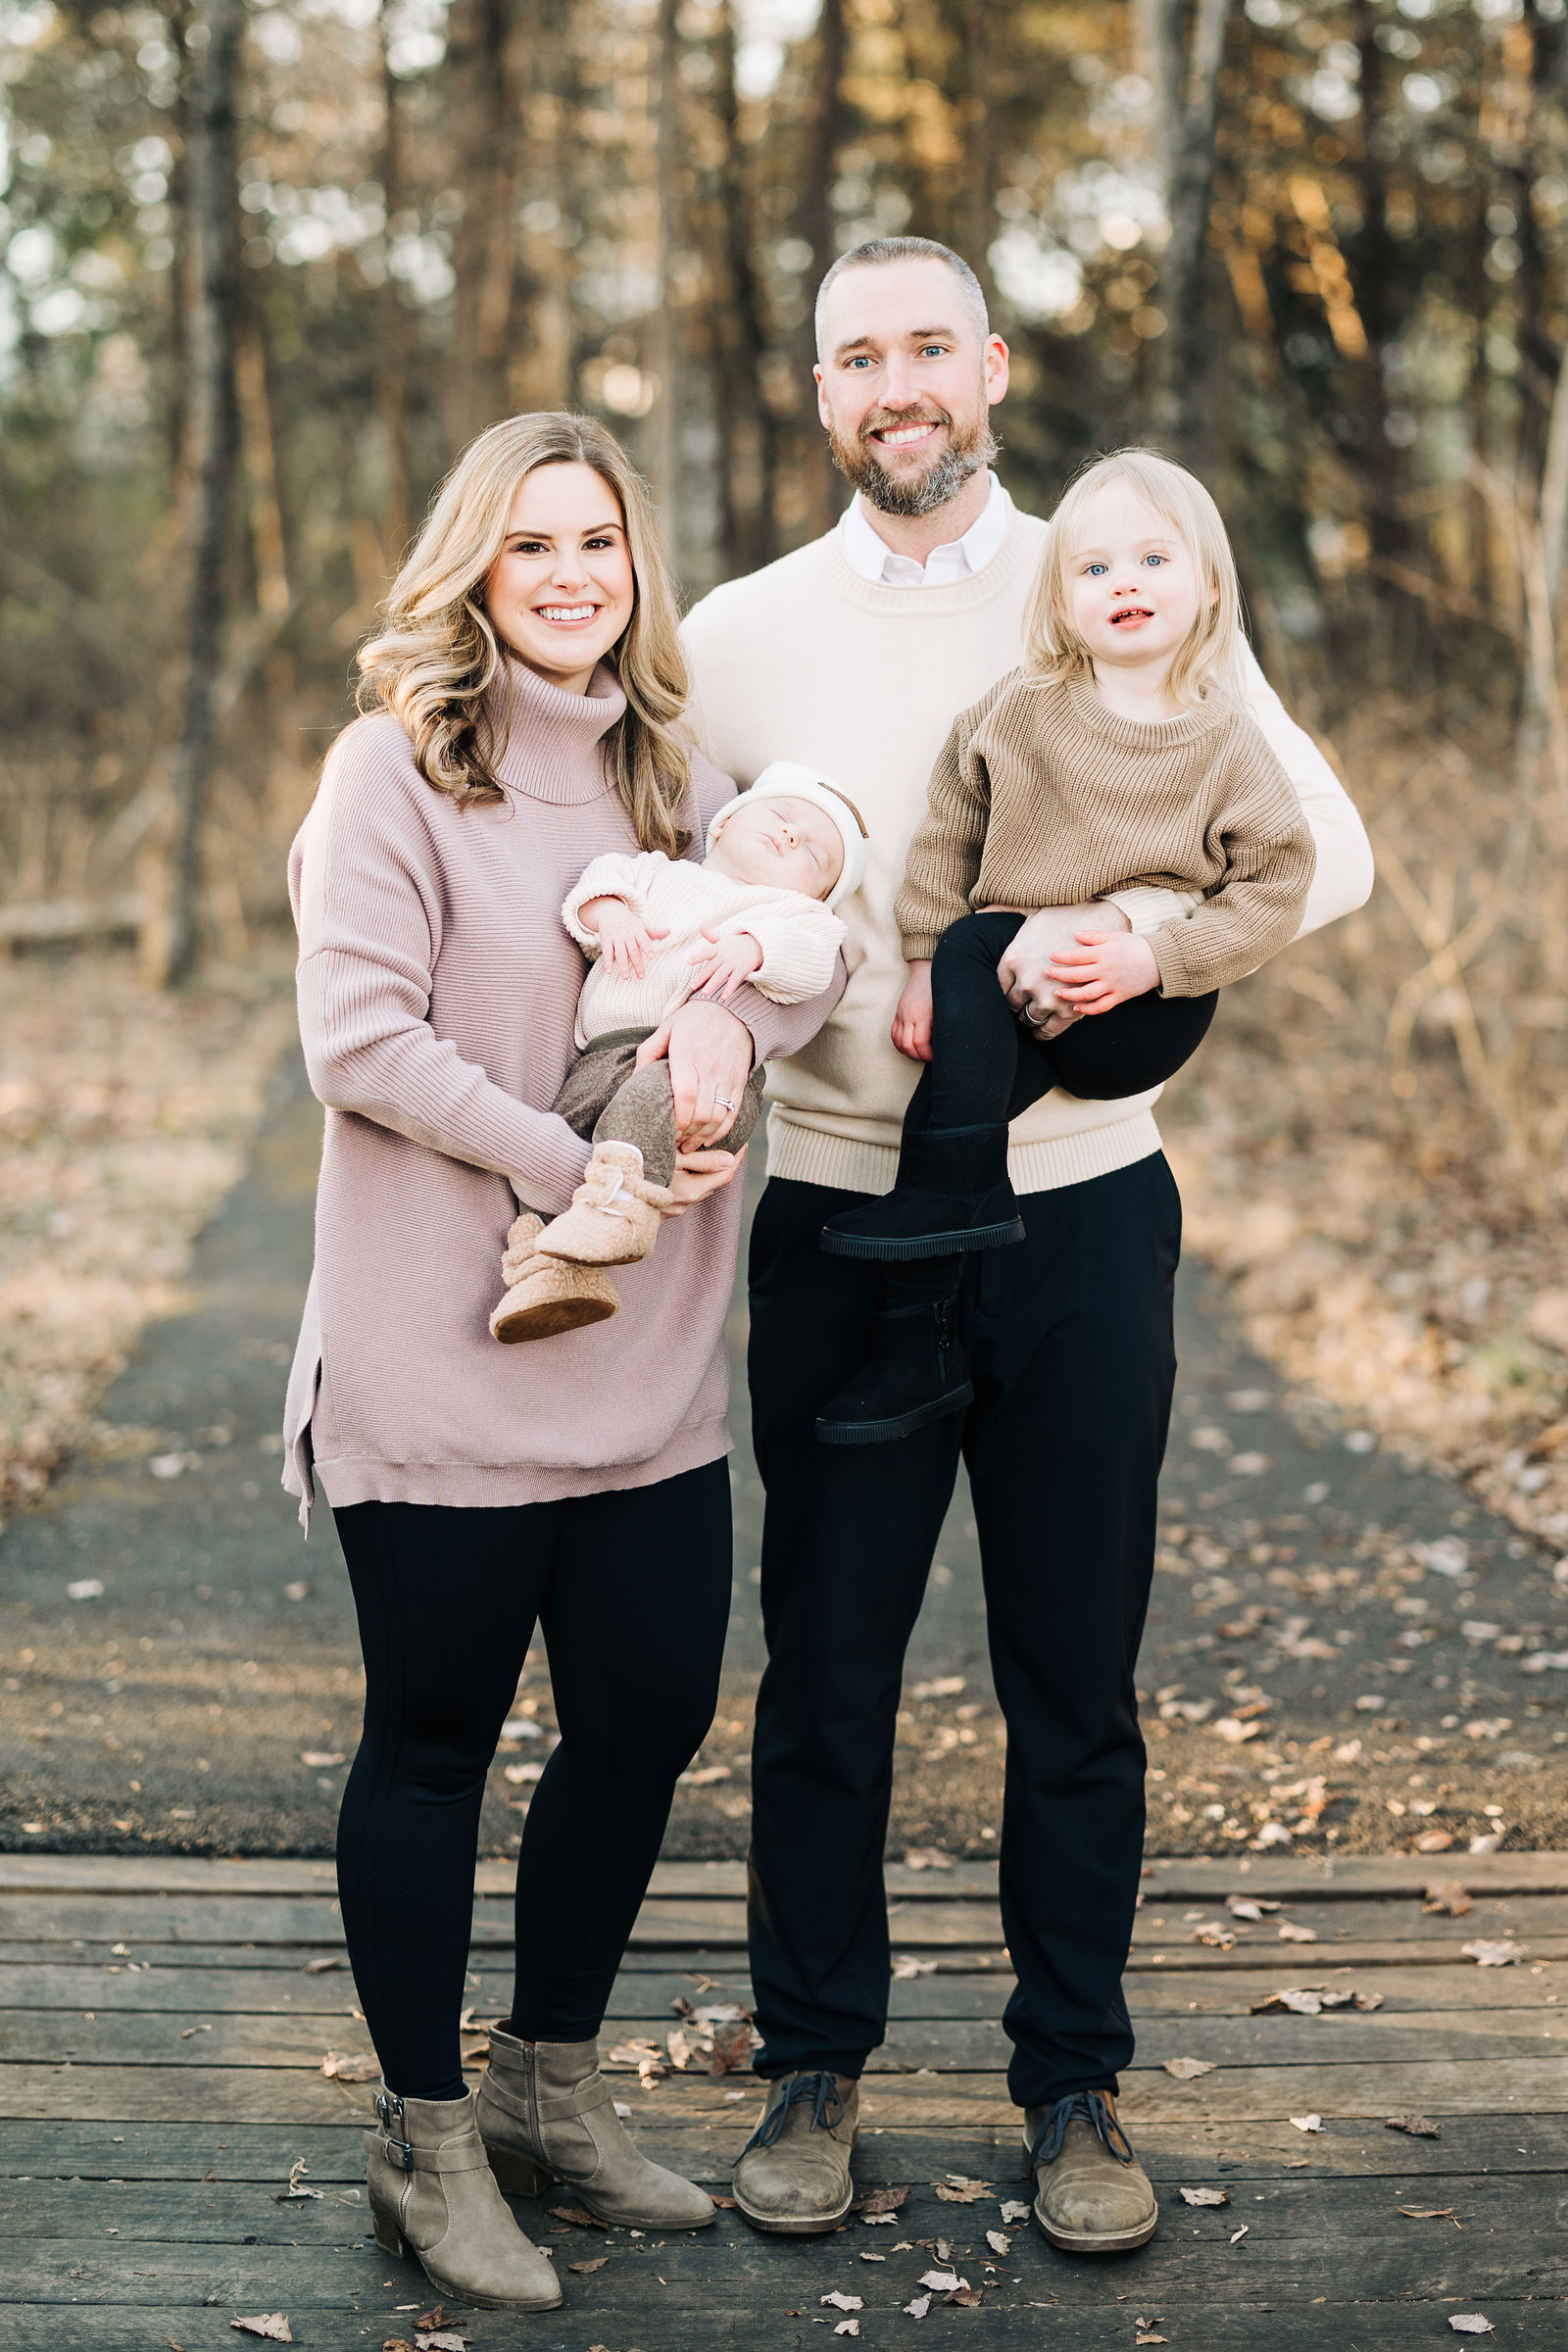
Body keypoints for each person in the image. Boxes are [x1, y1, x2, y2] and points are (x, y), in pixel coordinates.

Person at [679, 238, 1373, 2254]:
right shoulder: (735, 635)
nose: (895, 383)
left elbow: (1321, 850)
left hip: (1081, 1217)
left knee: (1074, 1678)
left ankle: (1073, 2082)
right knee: (827, 1674)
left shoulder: (1115, 569)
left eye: (929, 346)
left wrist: (1127, 940)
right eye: (856, 356)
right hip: (842, 1215)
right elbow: (644, 858)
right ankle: (814, 2066)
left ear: (988, 367)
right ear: (821, 388)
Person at [280, 412, 841, 2312]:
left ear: (633, 566)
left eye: (597, 541)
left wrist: (733, 1065)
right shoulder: (392, 770)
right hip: (438, 1346)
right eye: (531, 545)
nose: (571, 575)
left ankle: (547, 2086)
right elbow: (358, 1040)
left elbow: (775, 963)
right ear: (475, 569)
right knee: (434, 1744)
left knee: (645, 1716)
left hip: (646, 1363)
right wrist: (567, 1159)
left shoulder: (683, 781)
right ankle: (425, 2135)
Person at [817, 448, 1315, 1440]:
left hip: (1144, 1015)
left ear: (1210, 586)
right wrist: (919, 962)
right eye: (1094, 568)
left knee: (971, 973)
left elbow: (1279, 881)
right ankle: (916, 1346)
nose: (1124, 583)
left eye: (1153, 560)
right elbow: (949, 826)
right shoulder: (1026, 708)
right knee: (946, 1118)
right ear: (1061, 601)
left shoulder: (1226, 739)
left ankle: (946, 1211)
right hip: (1015, 997)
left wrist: (1156, 955)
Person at [490, 766, 865, 1340]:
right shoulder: (656, 873)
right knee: (566, 1131)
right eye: (782, 816)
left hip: (696, 1076)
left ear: (816, 895)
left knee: (645, 1106)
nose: (792, 836)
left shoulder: (792, 914)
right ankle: (545, 1270)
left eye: (815, 855)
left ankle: (620, 1212)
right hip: (604, 1054)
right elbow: (596, 884)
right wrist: (612, 914)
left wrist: (756, 947)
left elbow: (815, 961)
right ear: (725, 824)